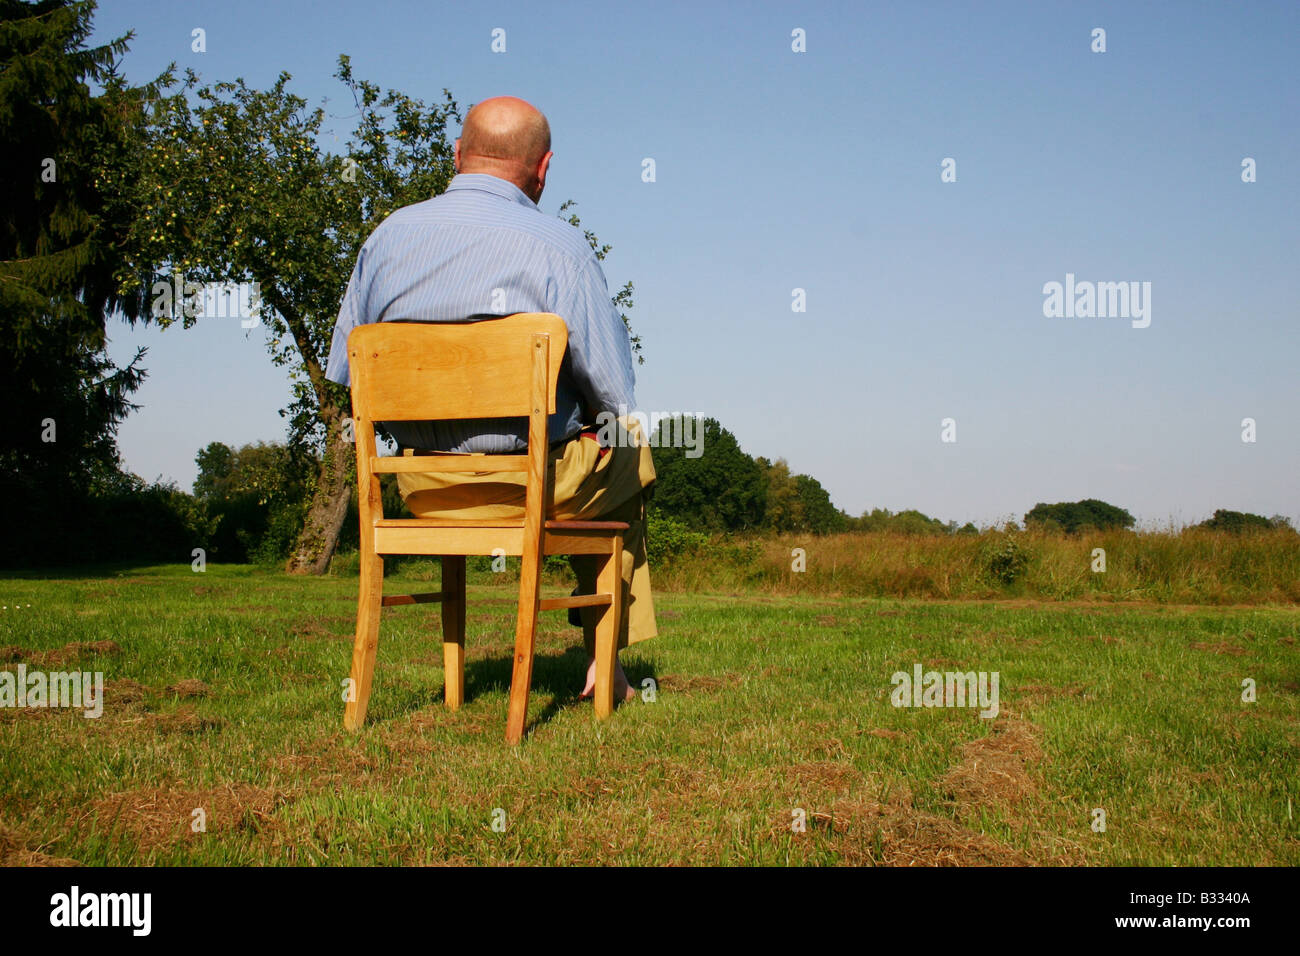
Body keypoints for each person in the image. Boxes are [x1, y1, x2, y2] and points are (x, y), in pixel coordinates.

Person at [324, 96, 655, 702]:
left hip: (423, 490)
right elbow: (613, 394)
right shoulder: (563, 249)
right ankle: (607, 664)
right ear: (543, 167)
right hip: (528, 487)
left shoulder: (387, 238)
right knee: (630, 451)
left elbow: (348, 373)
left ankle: (466, 681)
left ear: (457, 155)